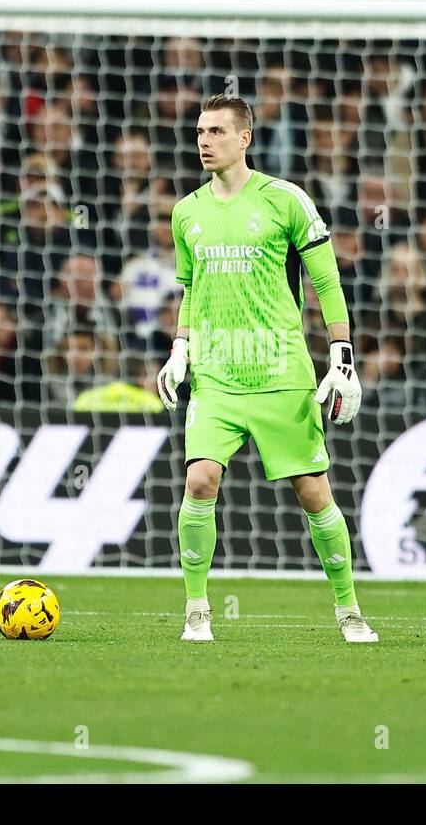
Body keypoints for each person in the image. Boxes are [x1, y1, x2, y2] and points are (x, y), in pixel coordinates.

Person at [155, 93, 376, 644]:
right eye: (200, 131)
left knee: (312, 491)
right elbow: (191, 290)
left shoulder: (286, 201)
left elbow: (326, 281)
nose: (204, 140)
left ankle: (349, 610)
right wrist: (180, 348)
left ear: (244, 138)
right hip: (217, 377)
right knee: (199, 480)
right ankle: (197, 609)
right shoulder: (187, 212)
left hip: (281, 372)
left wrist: (342, 356)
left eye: (216, 132)